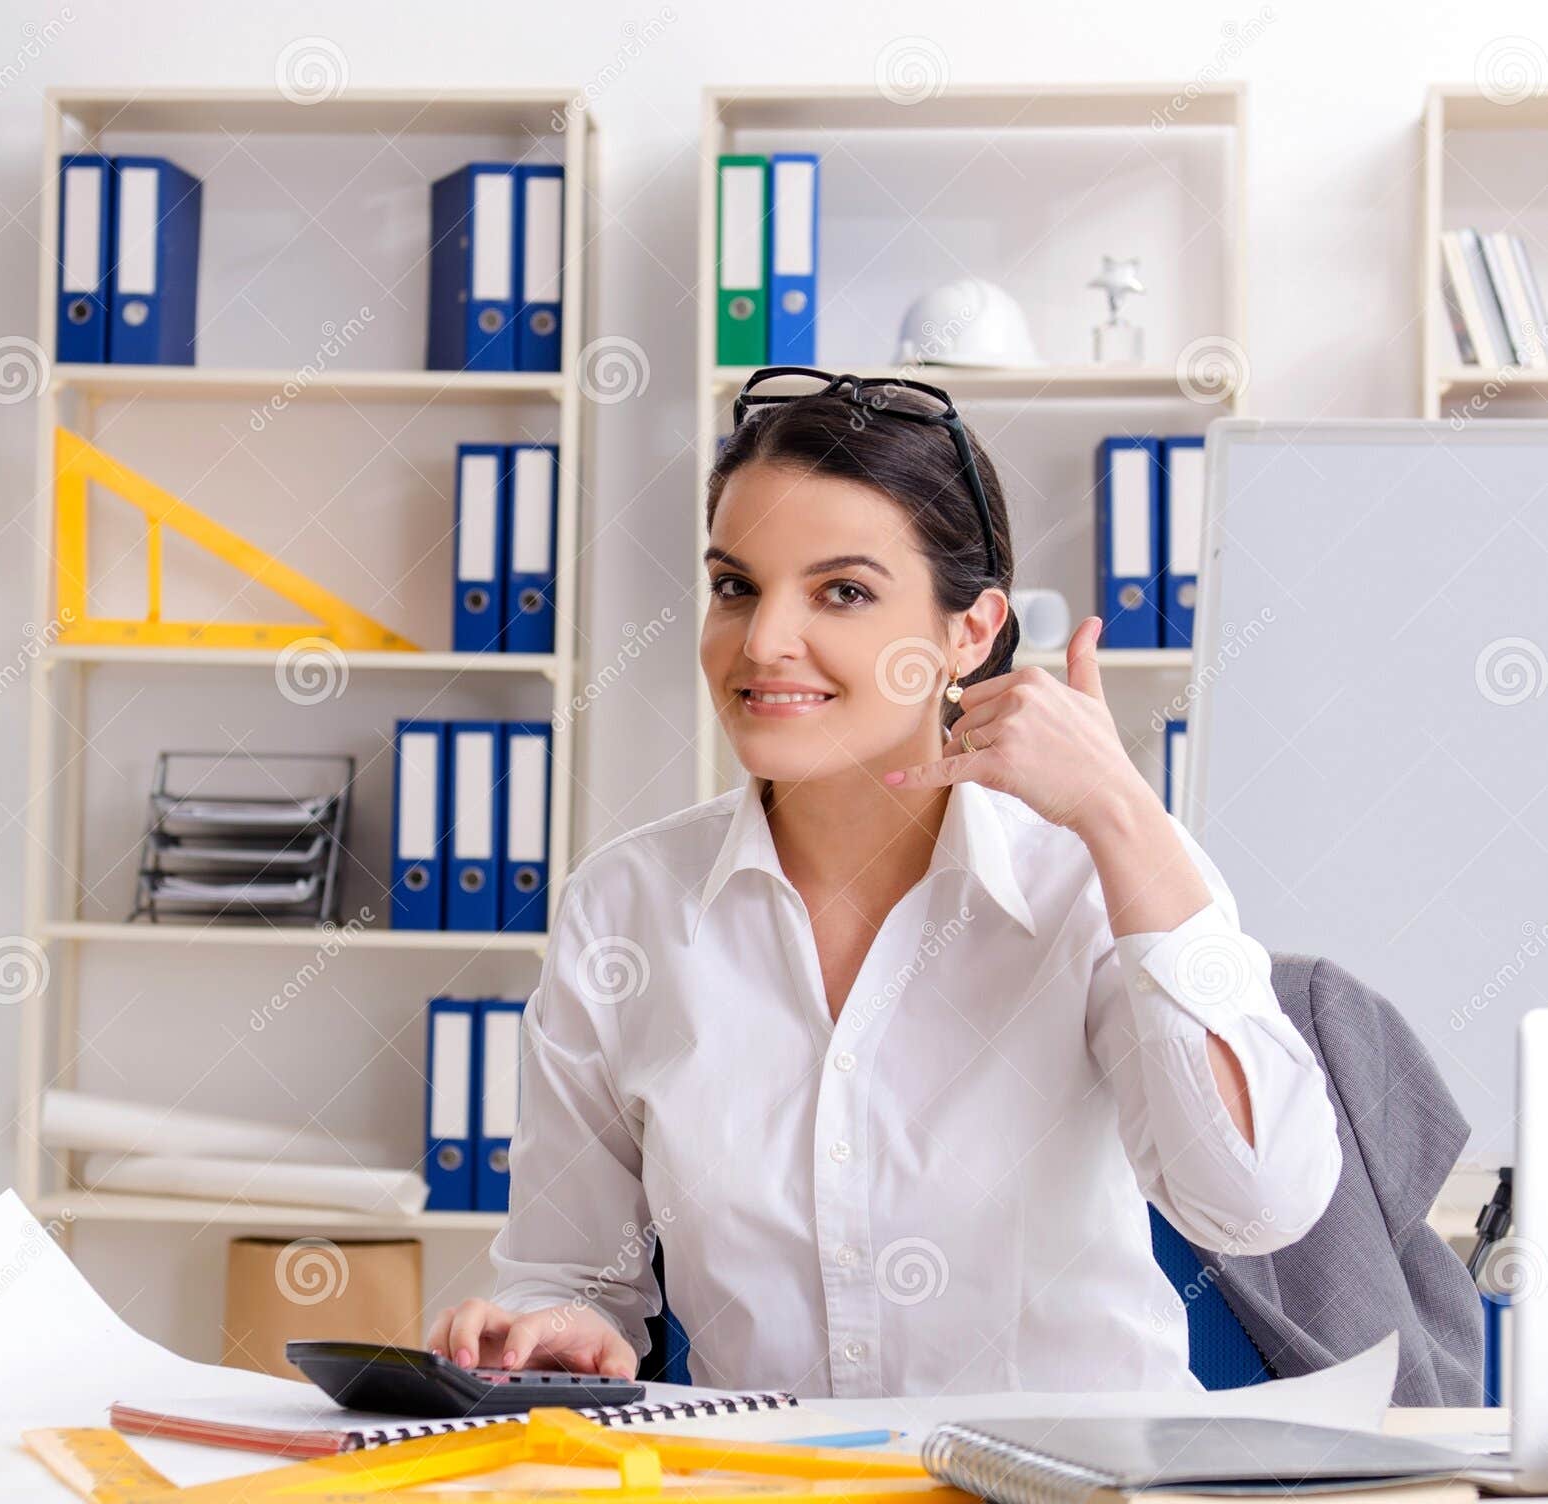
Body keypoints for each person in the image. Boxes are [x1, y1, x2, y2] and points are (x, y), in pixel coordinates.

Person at [428, 369, 1342, 1397]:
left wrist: (1122, 815)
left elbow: (1259, 1207)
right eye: (734, 585)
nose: (763, 640)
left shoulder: (1088, 874)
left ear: (968, 631)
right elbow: (573, 1273)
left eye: (843, 593)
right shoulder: (625, 907)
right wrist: (563, 1325)